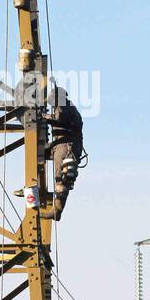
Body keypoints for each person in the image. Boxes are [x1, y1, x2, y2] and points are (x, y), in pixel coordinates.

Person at [46, 87, 84, 220]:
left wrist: (43, 117)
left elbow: (59, 118)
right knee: (38, 155)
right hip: (61, 144)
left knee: (63, 177)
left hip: (66, 145)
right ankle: (32, 188)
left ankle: (57, 209)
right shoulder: (68, 106)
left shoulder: (64, 106)